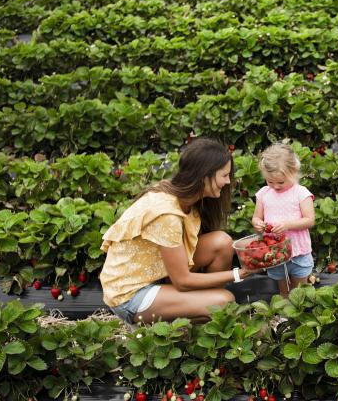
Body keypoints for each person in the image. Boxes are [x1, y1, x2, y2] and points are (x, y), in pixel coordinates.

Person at [99, 138, 254, 324]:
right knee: (224, 302)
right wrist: (240, 273)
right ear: (204, 176)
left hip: (157, 276)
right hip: (131, 294)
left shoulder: (185, 197)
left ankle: (203, 307)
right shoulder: (167, 215)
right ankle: (181, 325)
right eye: (224, 175)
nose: (228, 181)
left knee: (221, 242)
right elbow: (182, 281)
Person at [251, 143, 316, 296]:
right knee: (283, 290)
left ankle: (298, 313)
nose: (275, 186)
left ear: (294, 172)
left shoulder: (301, 193)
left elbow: (309, 220)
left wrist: (287, 225)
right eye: (270, 181)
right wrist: (258, 224)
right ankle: (285, 316)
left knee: (300, 291)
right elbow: (256, 217)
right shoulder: (264, 194)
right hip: (275, 253)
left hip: (299, 252)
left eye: (280, 182)